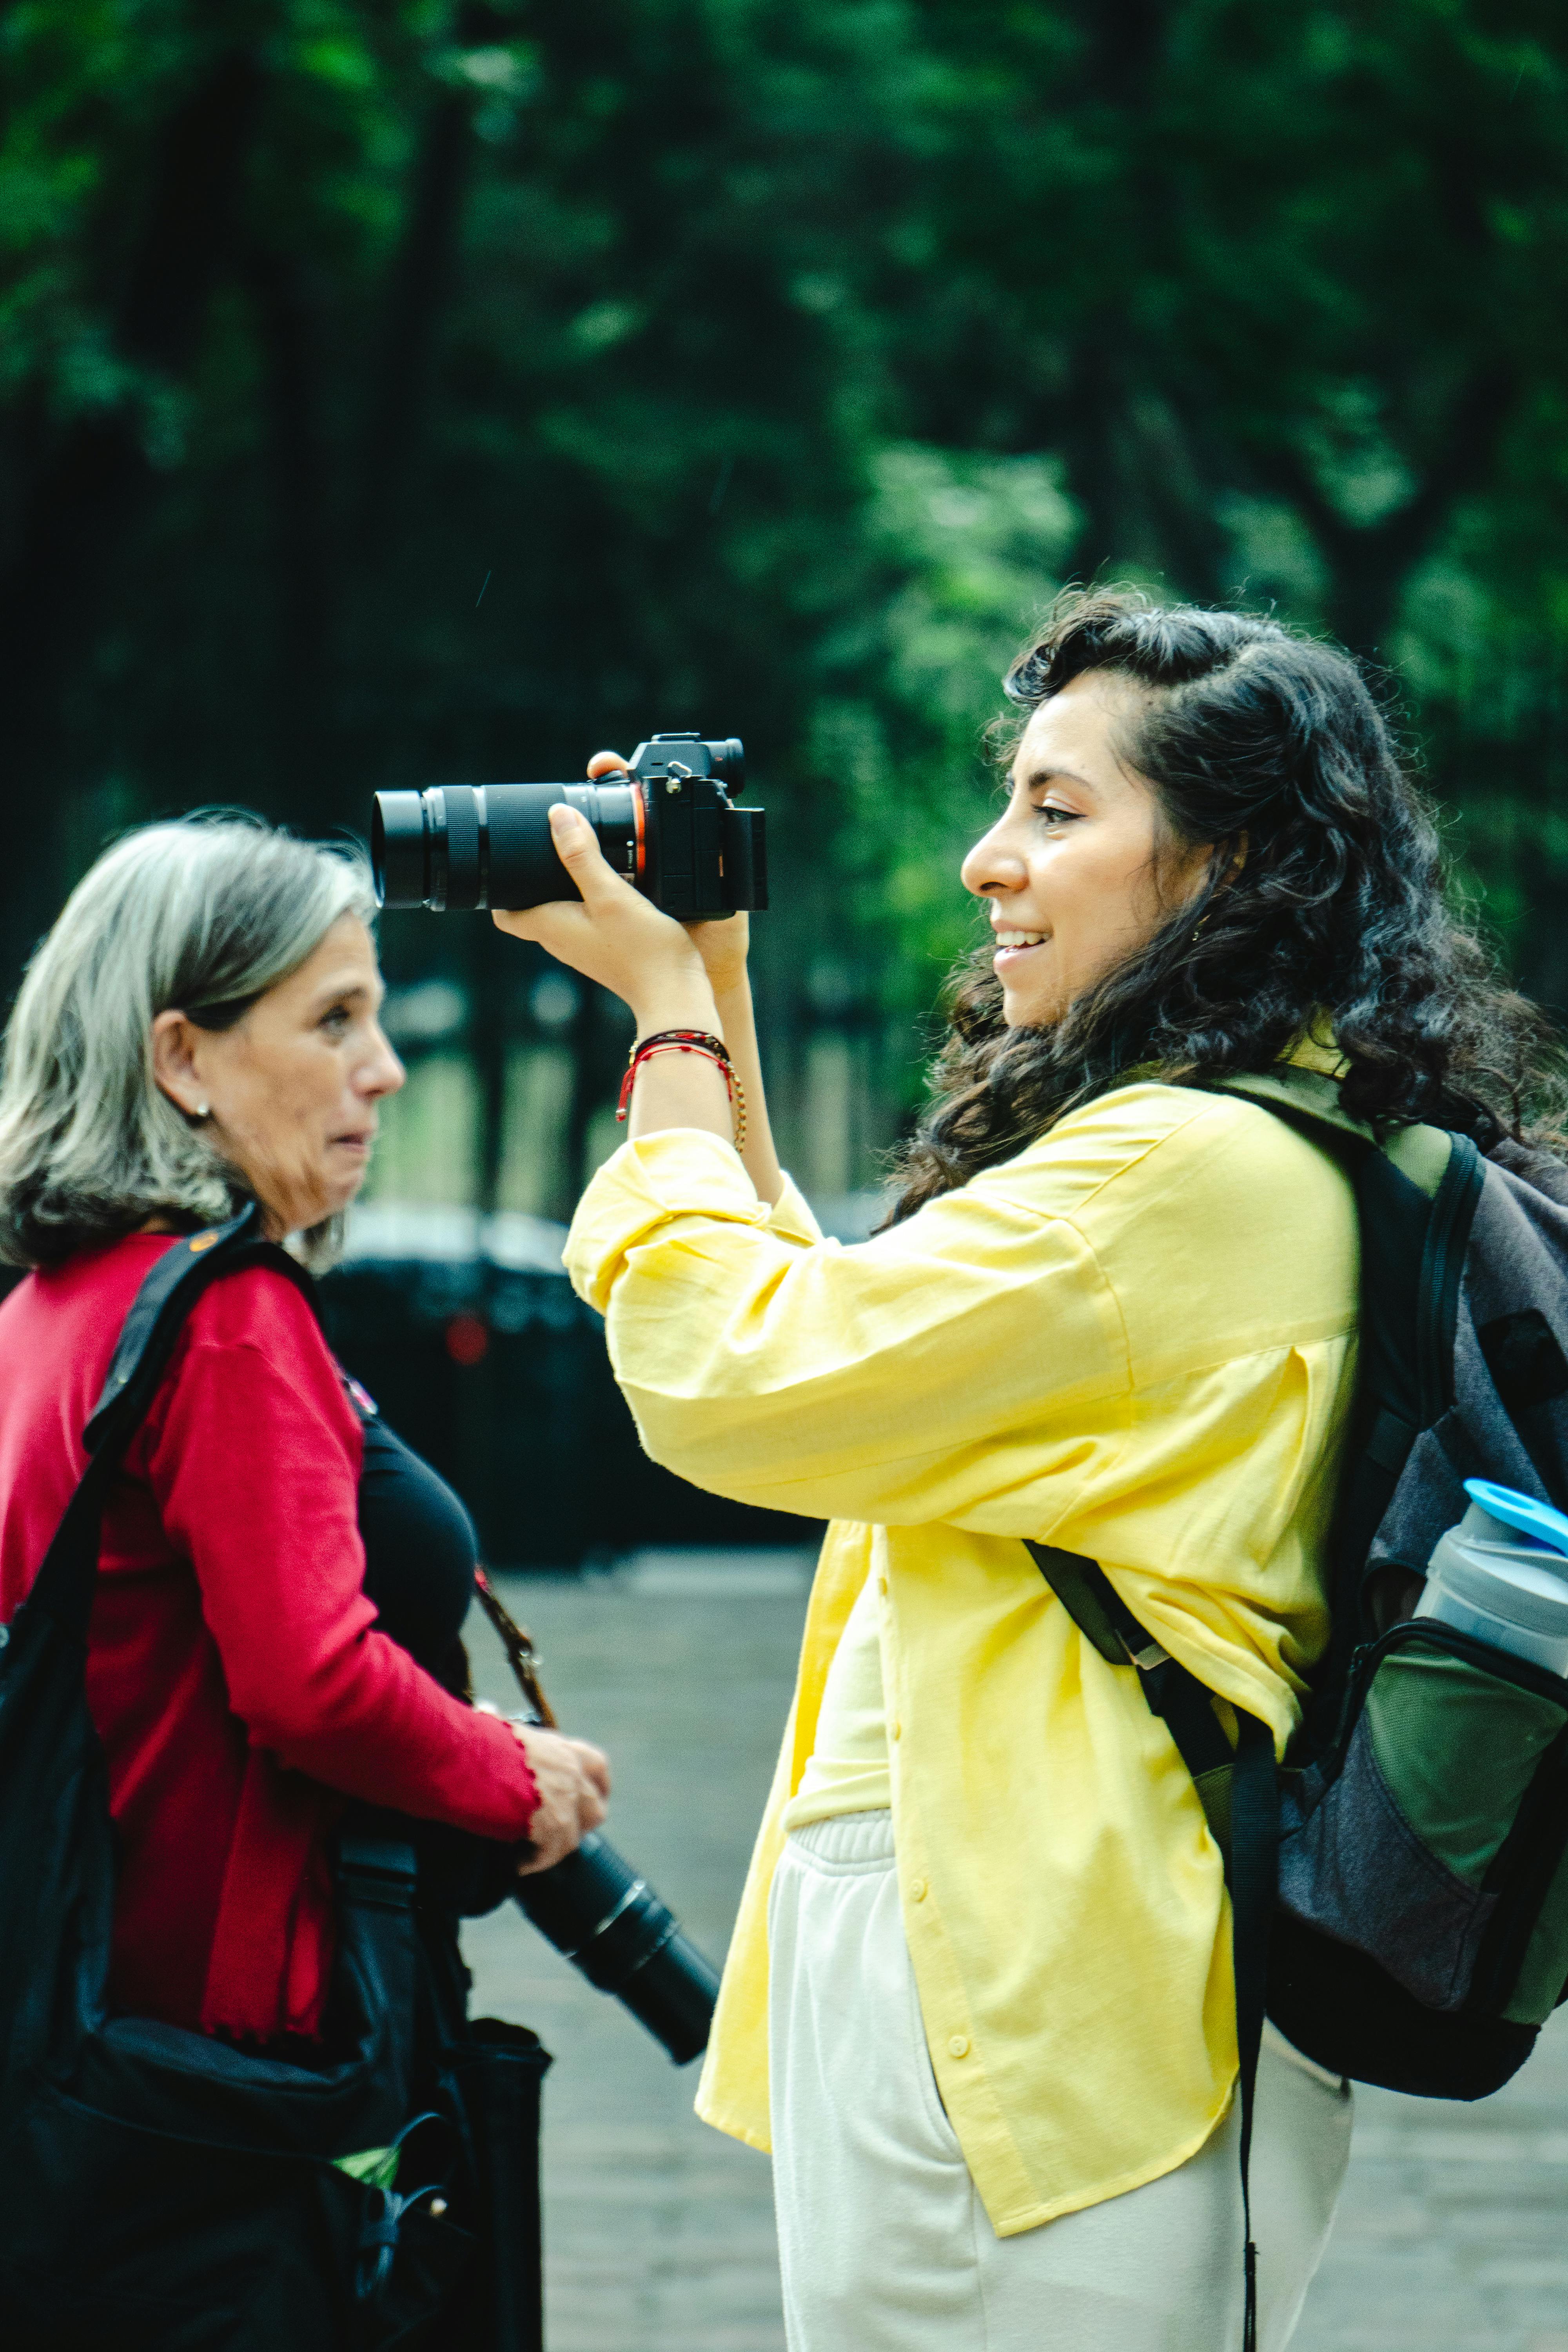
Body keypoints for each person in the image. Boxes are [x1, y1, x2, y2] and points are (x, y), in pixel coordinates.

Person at [497, 588, 1565, 2352]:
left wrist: (672, 1022)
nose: (988, 859)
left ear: (1232, 865)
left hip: (1027, 1994)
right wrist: (717, 986)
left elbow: (732, 1374)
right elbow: (840, 1353)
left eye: (1059, 812)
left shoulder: (1177, 1172)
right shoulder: (1272, 1142)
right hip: (1075, 1973)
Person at [0, 814, 608, 2068]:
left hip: (89, 2020)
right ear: (184, 1059)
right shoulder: (226, 1318)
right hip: (228, 2068)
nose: (384, 1070)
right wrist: (513, 1775)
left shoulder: (58, 1305)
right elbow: (312, 1683)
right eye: (334, 1021)